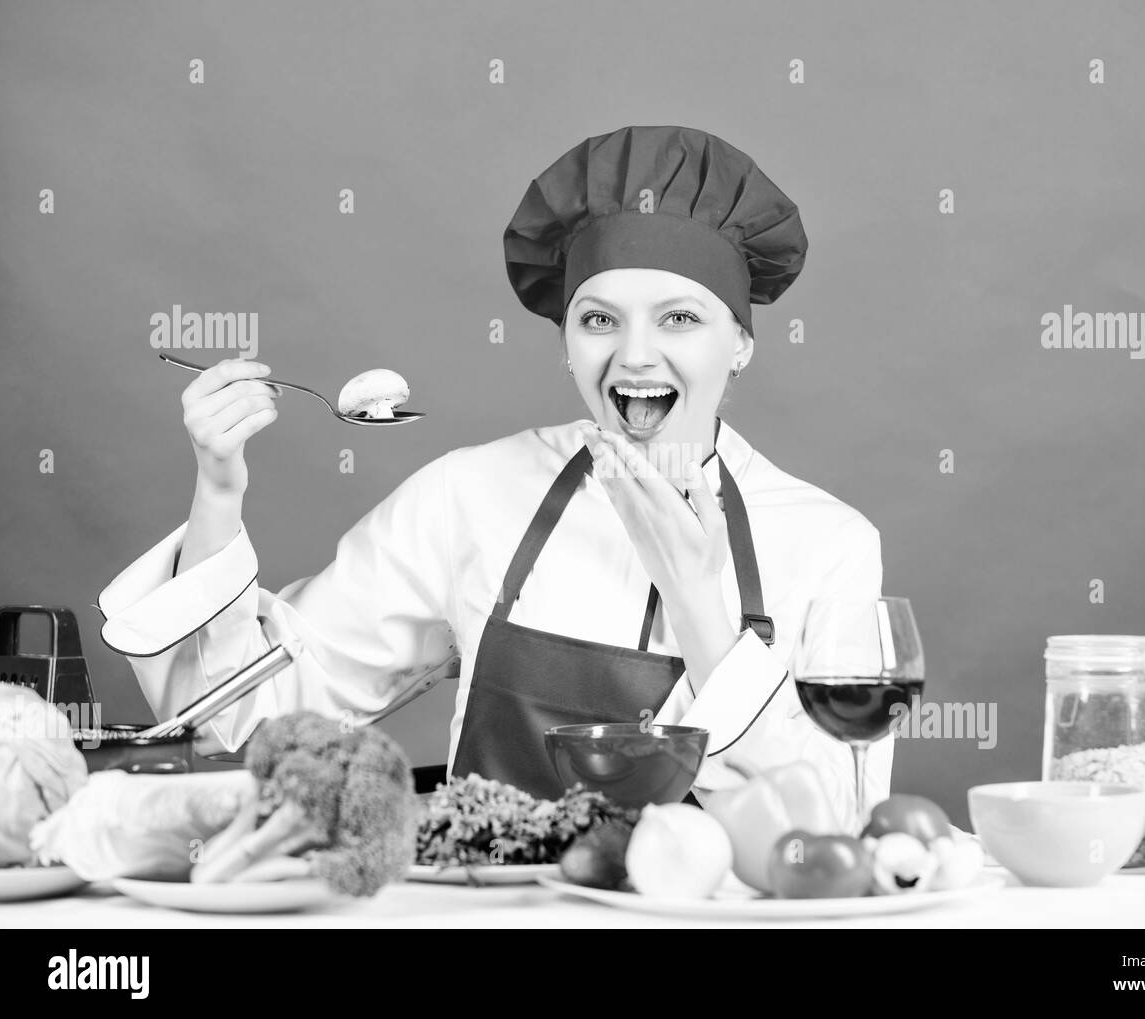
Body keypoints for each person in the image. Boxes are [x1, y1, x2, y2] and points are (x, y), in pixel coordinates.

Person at [97, 125, 889, 827]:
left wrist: (695, 601)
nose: (636, 354)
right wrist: (219, 491)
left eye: (679, 317)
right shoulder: (471, 497)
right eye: (599, 318)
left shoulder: (828, 544)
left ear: (741, 343)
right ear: (565, 342)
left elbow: (834, 832)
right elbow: (248, 718)